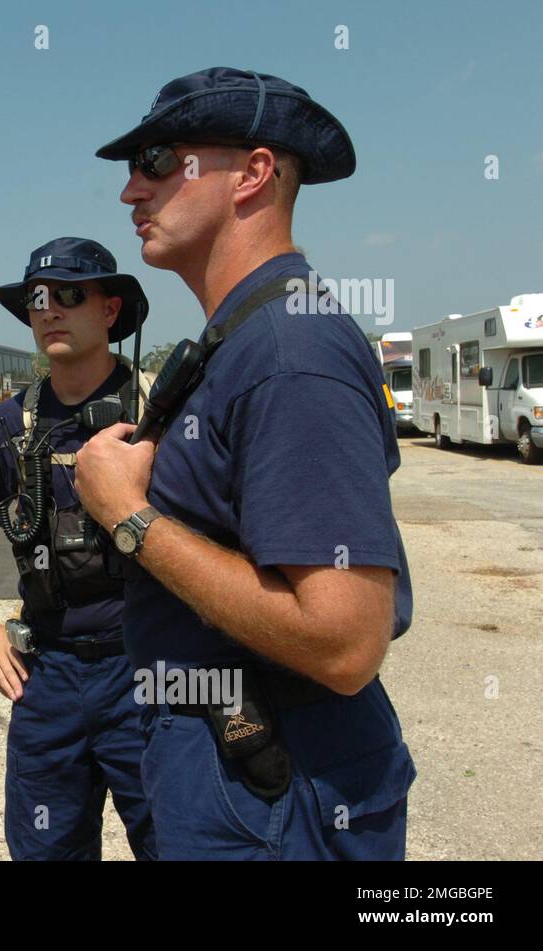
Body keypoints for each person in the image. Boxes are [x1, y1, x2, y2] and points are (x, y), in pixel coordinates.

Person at [76, 68, 416, 860]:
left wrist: (130, 519)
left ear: (254, 174)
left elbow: (344, 642)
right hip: (234, 767)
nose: (131, 191)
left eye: (158, 159)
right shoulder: (245, 336)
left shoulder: (287, 350)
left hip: (279, 789)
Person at [0, 237, 155, 860]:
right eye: (38, 299)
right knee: (46, 848)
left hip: (147, 668)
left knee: (174, 840)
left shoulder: (163, 411)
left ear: (110, 311)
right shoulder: (6, 425)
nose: (50, 310)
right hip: (50, 672)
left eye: (71, 295)